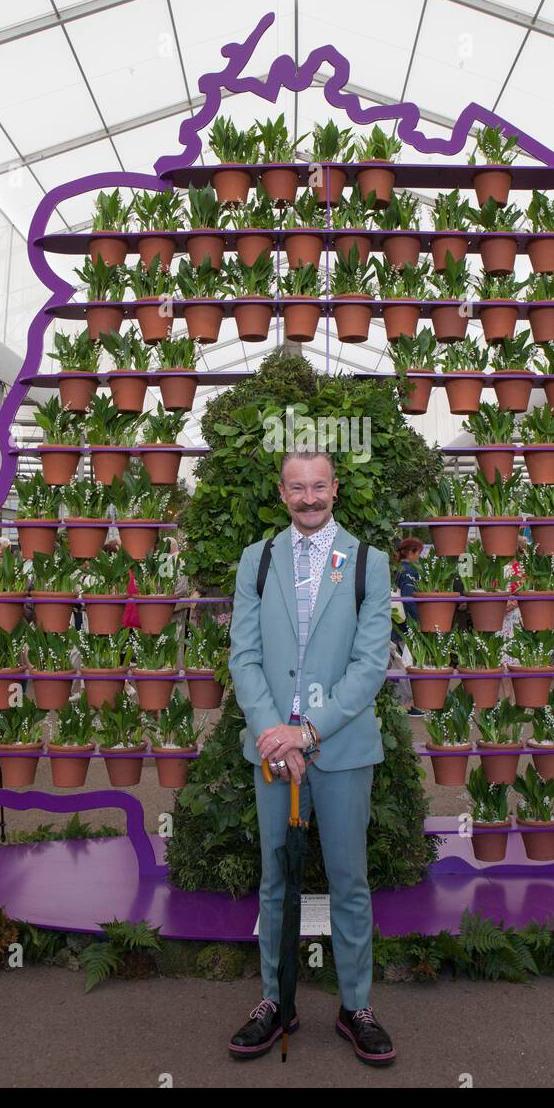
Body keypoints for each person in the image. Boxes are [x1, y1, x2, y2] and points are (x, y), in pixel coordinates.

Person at [228, 450, 394, 1066]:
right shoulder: (258, 559)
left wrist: (309, 732)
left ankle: (357, 1007)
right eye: (296, 488)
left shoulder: (368, 564)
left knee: (350, 881)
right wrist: (274, 730)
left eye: (318, 486)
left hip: (342, 750)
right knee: (275, 882)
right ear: (281, 492)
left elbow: (370, 665)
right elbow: (243, 654)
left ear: (335, 488)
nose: (308, 498)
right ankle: (277, 999)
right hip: (271, 746)